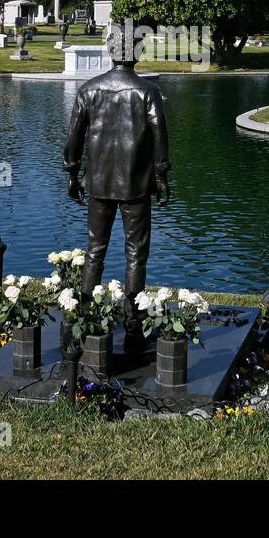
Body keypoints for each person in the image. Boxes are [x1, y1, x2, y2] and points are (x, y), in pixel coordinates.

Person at [62, 25, 171, 353]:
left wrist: (71, 174)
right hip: (136, 185)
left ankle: (86, 320)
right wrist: (162, 179)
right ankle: (135, 329)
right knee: (136, 254)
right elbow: (160, 141)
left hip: (98, 183)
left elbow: (73, 141)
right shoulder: (147, 92)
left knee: (95, 251)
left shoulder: (89, 90)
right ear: (137, 53)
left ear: (112, 52)